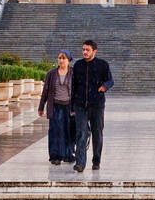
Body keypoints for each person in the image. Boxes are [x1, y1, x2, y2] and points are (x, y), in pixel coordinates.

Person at [70, 38, 113, 173]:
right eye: (83, 49)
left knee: (97, 133)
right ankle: (80, 163)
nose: (84, 52)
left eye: (87, 50)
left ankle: (96, 160)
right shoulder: (78, 65)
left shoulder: (102, 65)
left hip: (97, 105)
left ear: (94, 51)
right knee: (81, 133)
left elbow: (110, 80)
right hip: (80, 104)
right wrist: (72, 106)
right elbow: (74, 86)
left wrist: (104, 87)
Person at [38, 51, 73, 164]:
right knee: (55, 131)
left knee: (68, 131)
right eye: (59, 58)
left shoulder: (73, 73)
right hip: (55, 106)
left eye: (64, 58)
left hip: (69, 106)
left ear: (69, 60)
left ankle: (68, 154)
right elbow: (45, 91)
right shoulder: (51, 73)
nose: (61, 60)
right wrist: (41, 107)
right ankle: (55, 156)